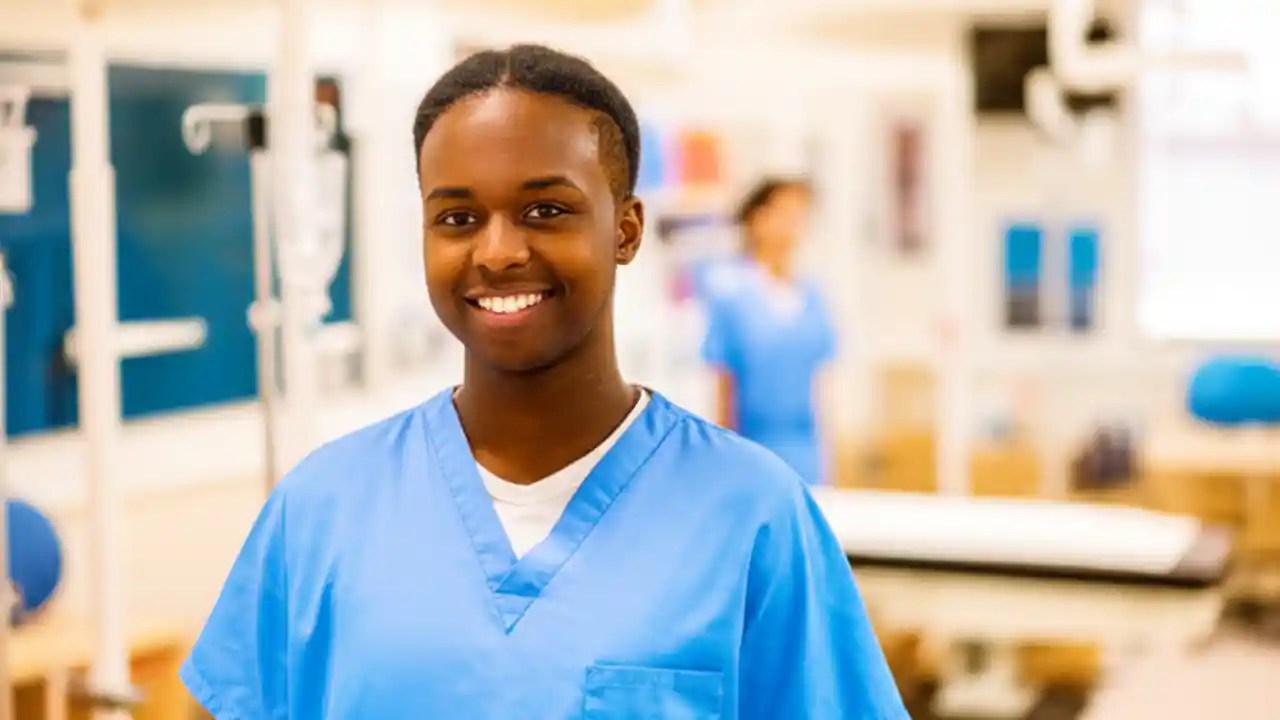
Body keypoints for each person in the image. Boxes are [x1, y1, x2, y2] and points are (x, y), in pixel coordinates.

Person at [180, 45, 906, 719]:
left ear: (626, 230)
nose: (497, 251)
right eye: (457, 217)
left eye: (546, 210)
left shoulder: (751, 514)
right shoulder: (323, 507)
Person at [702, 178, 838, 486]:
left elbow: (821, 383)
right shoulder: (732, 292)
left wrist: (830, 455)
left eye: (801, 214)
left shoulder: (812, 296)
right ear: (757, 218)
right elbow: (723, 382)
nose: (793, 224)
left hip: (806, 449)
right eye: (784, 212)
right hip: (751, 444)